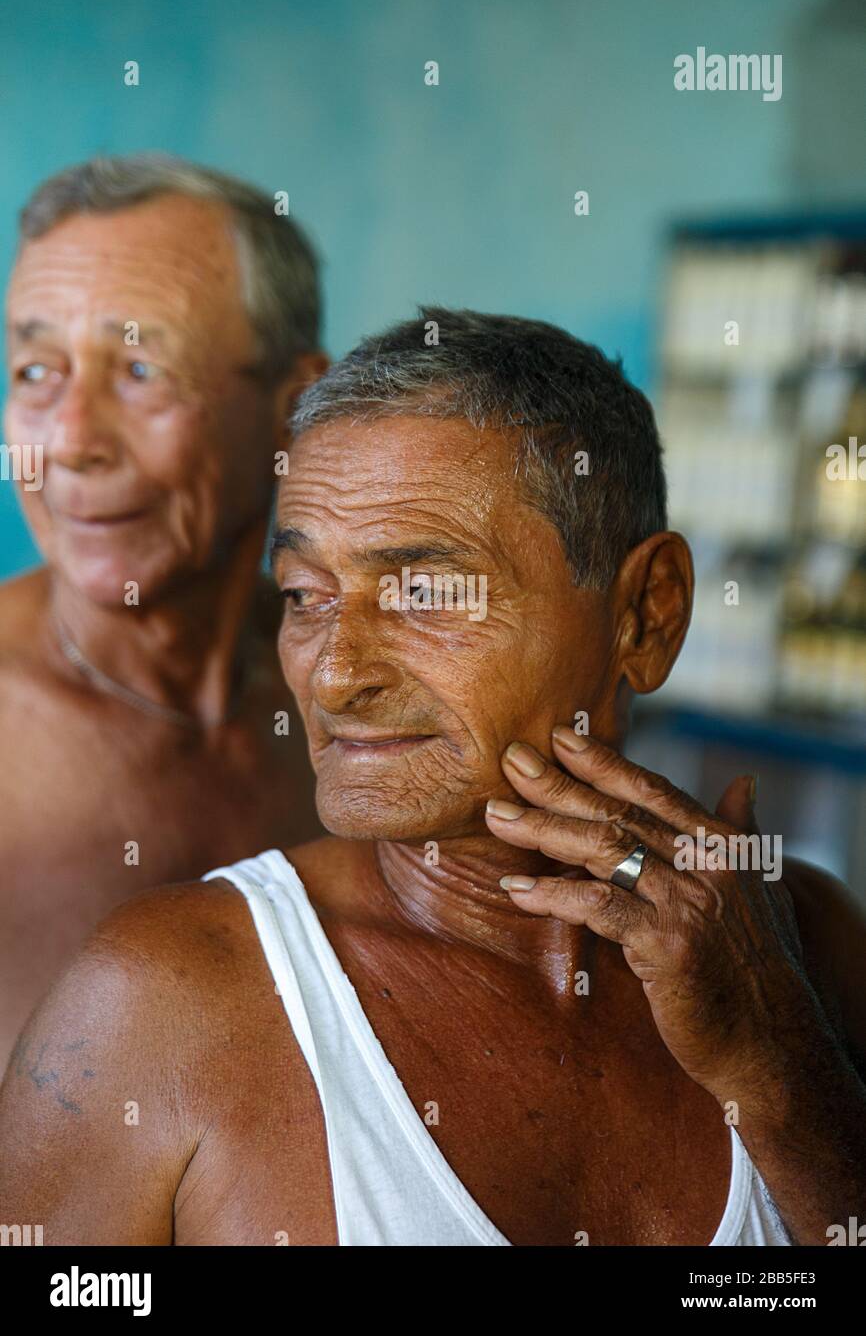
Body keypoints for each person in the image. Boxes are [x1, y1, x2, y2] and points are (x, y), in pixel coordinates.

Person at [2, 308, 865, 1246]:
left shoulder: (804, 955)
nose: (333, 675)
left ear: (645, 616)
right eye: (303, 596)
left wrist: (782, 1081)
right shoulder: (161, 1005)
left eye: (427, 593)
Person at [0, 154, 327, 1069]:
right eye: (34, 371)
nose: (68, 440)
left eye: (140, 368)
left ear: (293, 410)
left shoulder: (364, 701)